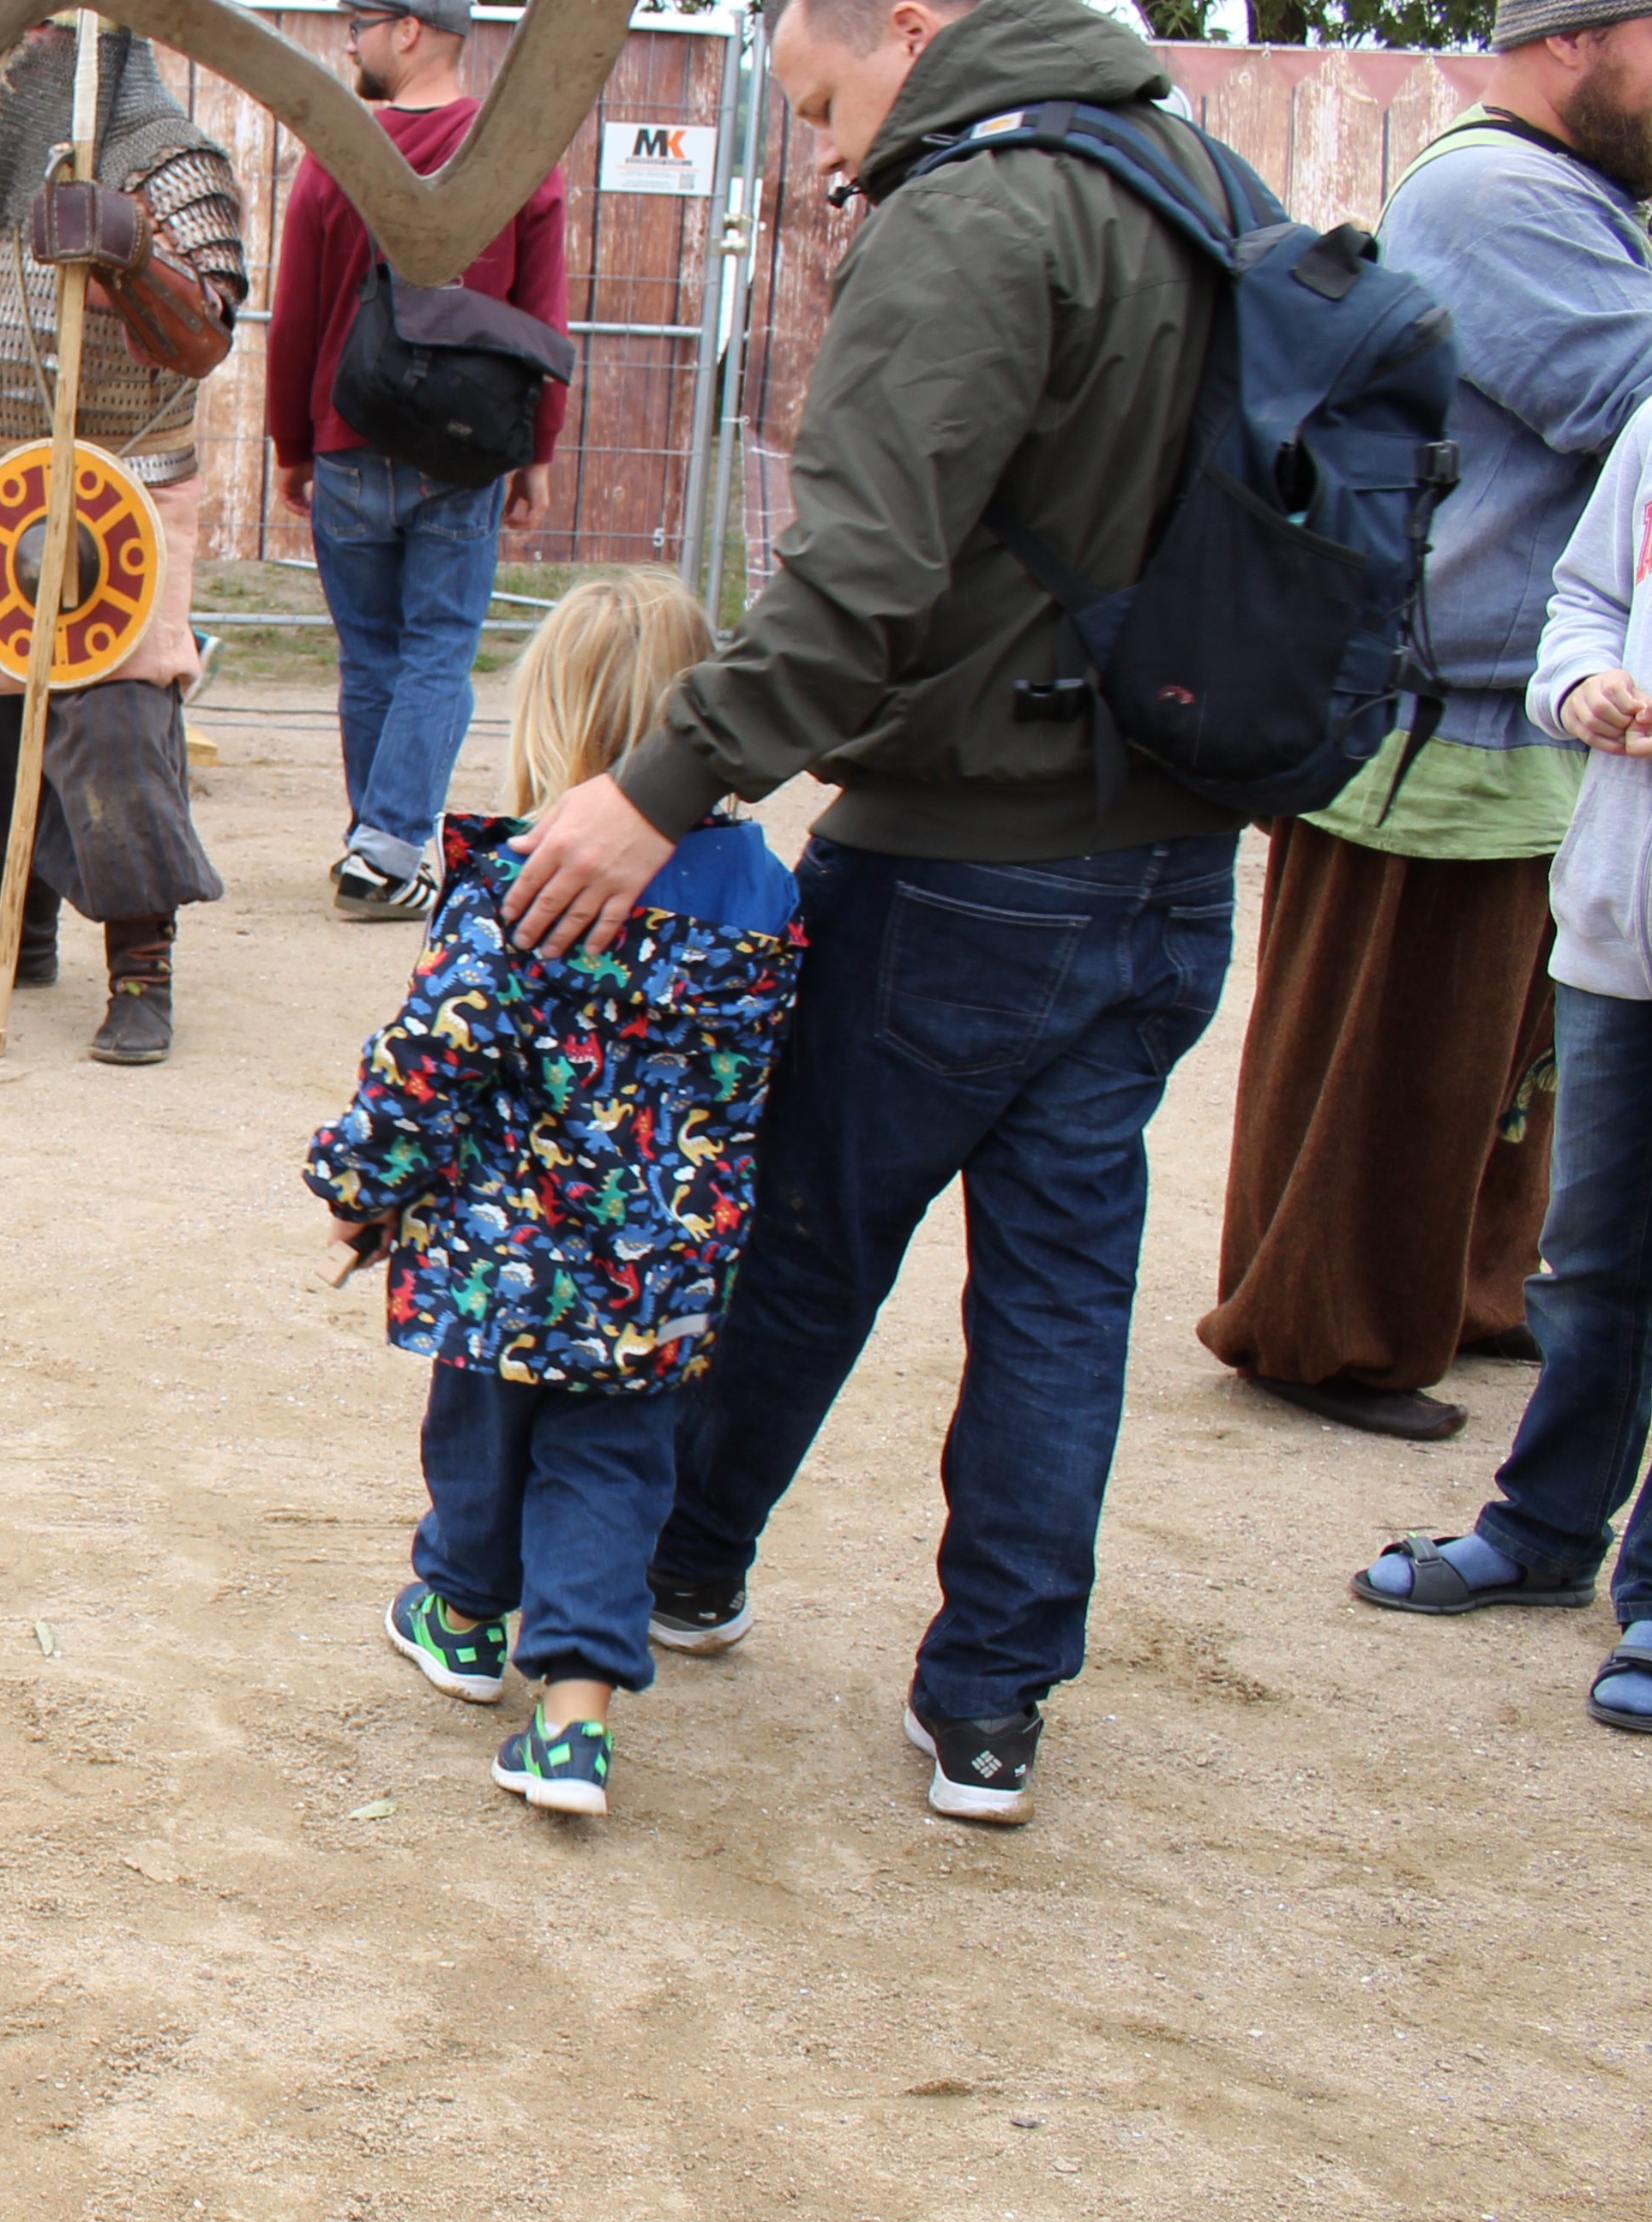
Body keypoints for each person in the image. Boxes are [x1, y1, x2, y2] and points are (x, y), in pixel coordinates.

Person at [504, 0, 1252, 1827]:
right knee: (1067, 1290)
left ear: (909, 22)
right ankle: (993, 1701)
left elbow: (861, 579)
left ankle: (681, 1557)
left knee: (808, 1241)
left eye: (823, 96)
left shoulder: (983, 208)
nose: (824, 152)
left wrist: (655, 789)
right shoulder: (1198, 178)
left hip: (963, 854)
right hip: (1170, 848)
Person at [1201, 9, 1652, 1441]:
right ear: (1574, 41)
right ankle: (1312, 1328)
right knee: (1385, 1044)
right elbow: (1631, 394)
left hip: (1511, 694)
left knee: (1494, 1050)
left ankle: (1458, 1292)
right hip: (1429, 707)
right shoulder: (1493, 192)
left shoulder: (1562, 191)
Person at [311, 571, 798, 1820]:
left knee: (481, 1421)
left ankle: (466, 1613)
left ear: (549, 718)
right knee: (616, 1462)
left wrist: (360, 1187)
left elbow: (435, 1056)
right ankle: (574, 1722)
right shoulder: (767, 895)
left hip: (503, 1242)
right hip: (663, 1261)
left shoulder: (529, 877)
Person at [1352, 386, 1652, 1733]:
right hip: (1623, 924)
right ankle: (1544, 1528)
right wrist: (1581, 681)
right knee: (1590, 1259)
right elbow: (1584, 596)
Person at [0, 21, 246, 1067]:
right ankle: (21, 927)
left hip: (115, 495)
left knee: (114, 732)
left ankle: (141, 967)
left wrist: (134, 249)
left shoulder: (172, 159)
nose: (26, 42)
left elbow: (206, 338)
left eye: (49, 28)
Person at [262, 0, 572, 922]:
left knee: (372, 658)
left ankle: (378, 847)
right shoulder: (515, 158)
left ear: (410, 30)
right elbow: (544, 319)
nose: (347, 39)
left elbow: (298, 316)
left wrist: (292, 439)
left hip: (350, 440)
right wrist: (539, 449)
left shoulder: (340, 156)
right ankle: (384, 848)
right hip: (464, 450)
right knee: (438, 650)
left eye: (361, 21)